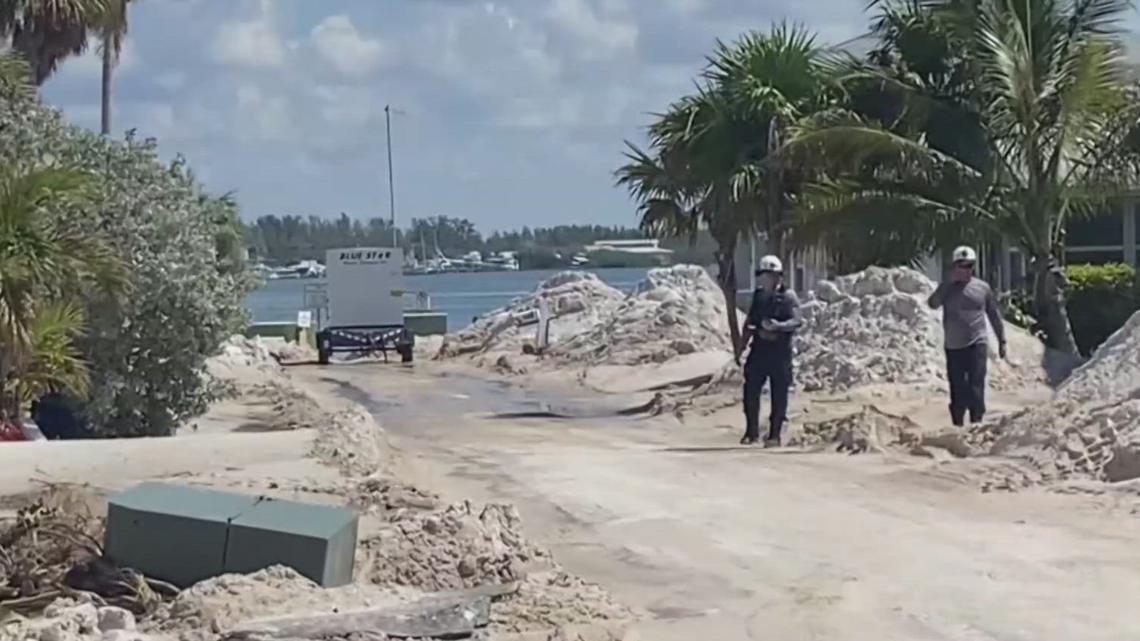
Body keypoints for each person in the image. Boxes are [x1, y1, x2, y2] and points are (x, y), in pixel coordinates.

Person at [927, 245, 1007, 427]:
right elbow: (932, 303)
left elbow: (993, 315)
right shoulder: (947, 288)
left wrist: (1002, 340)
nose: (966, 270)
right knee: (958, 387)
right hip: (954, 345)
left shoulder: (982, 288)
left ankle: (976, 422)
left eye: (969, 266)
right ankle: (957, 423)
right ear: (954, 267)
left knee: (976, 384)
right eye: (962, 266)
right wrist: (948, 283)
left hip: (977, 342)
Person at [741, 255, 802, 447]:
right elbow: (750, 321)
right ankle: (751, 432)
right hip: (759, 349)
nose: (766, 279)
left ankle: (774, 435)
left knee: (779, 394)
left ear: (778, 277)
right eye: (764, 275)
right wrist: (741, 345)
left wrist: (777, 326)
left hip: (780, 352)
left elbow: (797, 321)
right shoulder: (758, 297)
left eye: (770, 275)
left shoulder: (789, 297)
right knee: (750, 391)